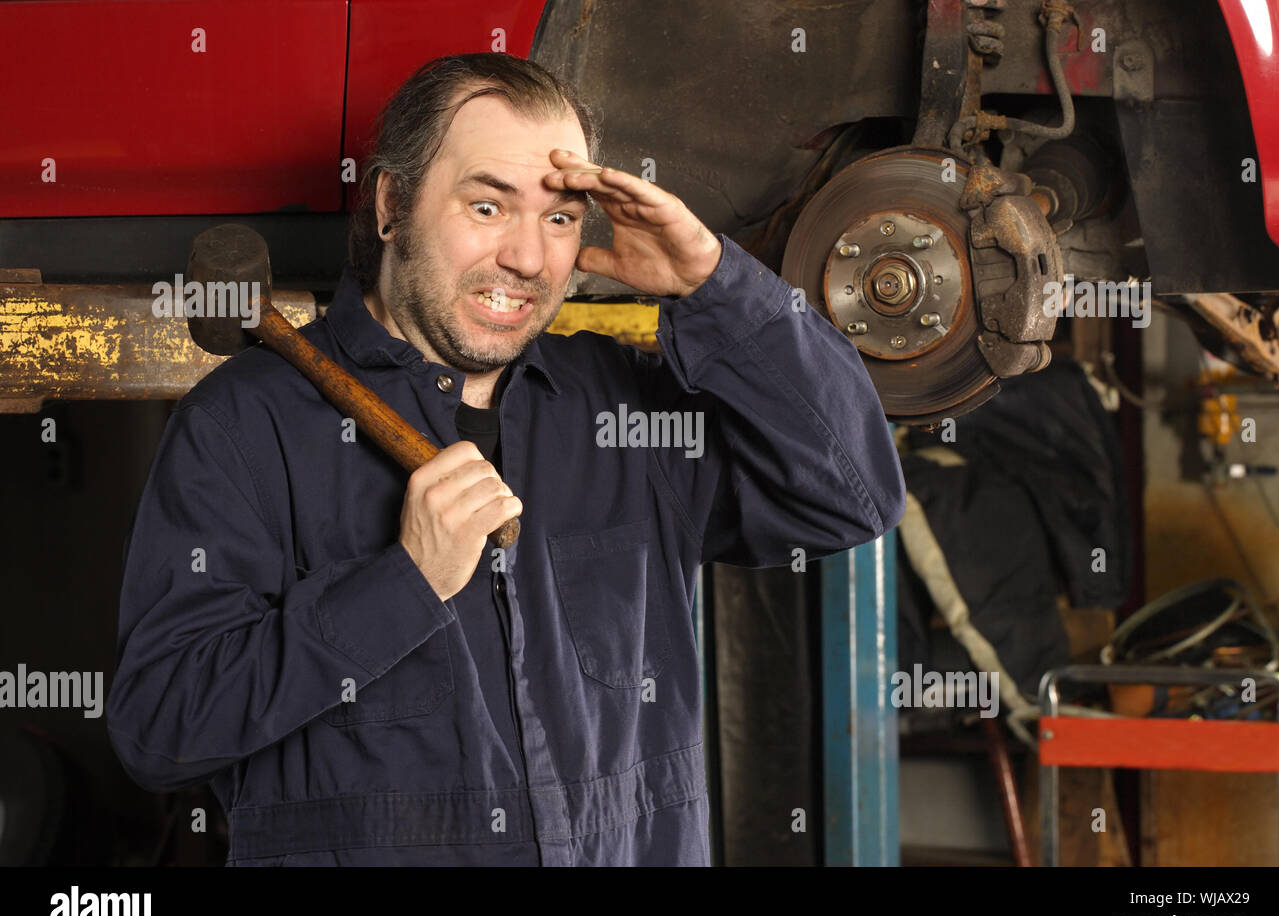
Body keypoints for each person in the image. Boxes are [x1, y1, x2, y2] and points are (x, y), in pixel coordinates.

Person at [107, 52, 906, 866]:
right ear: (392, 204)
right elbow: (159, 730)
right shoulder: (246, 425)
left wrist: (712, 284)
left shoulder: (623, 410)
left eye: (559, 218)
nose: (528, 258)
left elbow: (851, 496)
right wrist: (401, 584)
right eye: (487, 206)